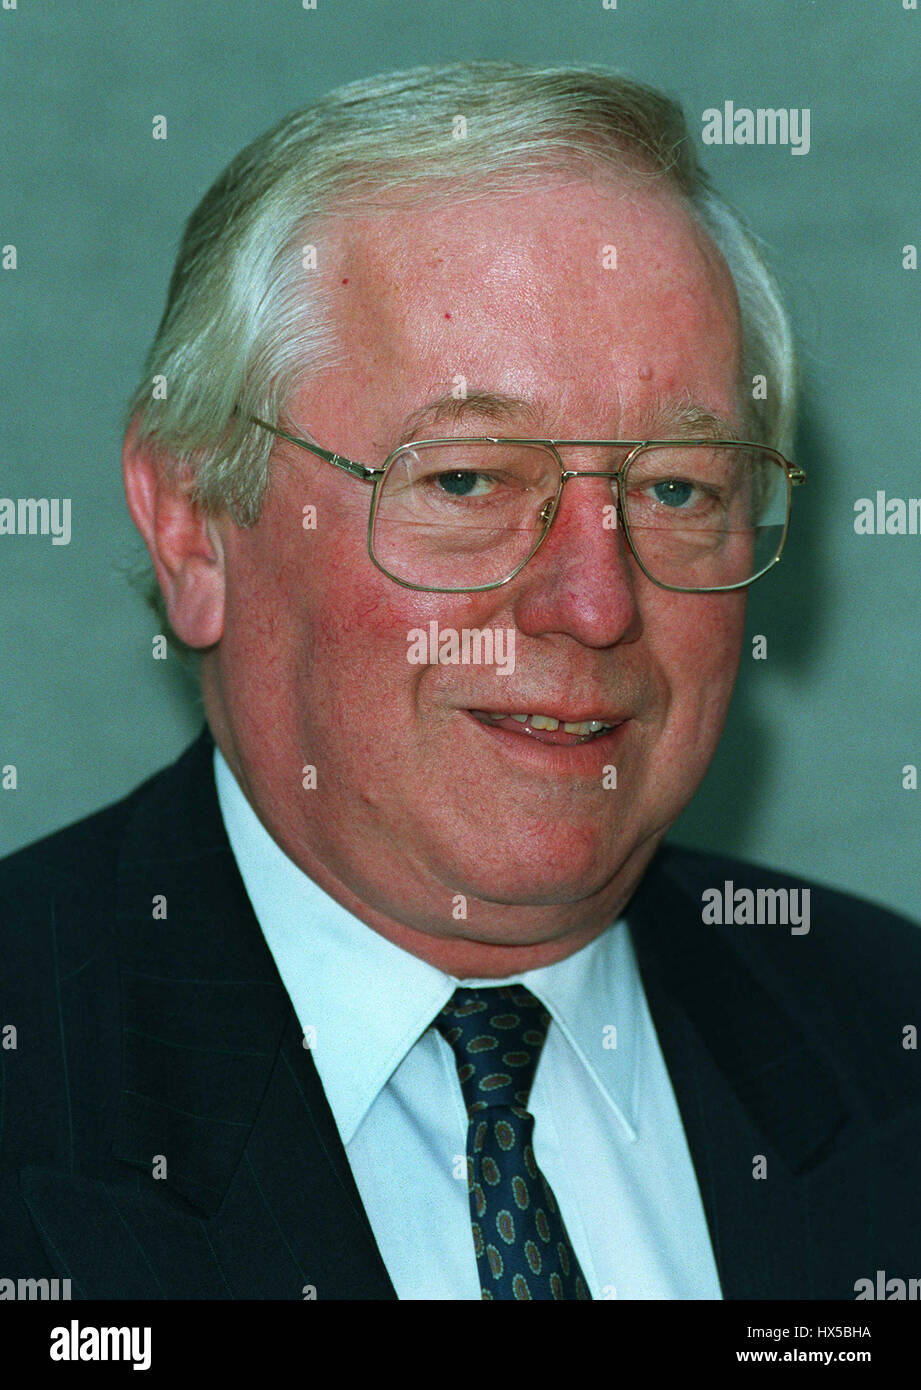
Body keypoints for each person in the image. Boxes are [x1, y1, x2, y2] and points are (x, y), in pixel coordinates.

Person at [1, 62, 918, 1302]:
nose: (595, 603)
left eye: (678, 490)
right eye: (469, 482)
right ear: (194, 528)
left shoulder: (887, 1040)